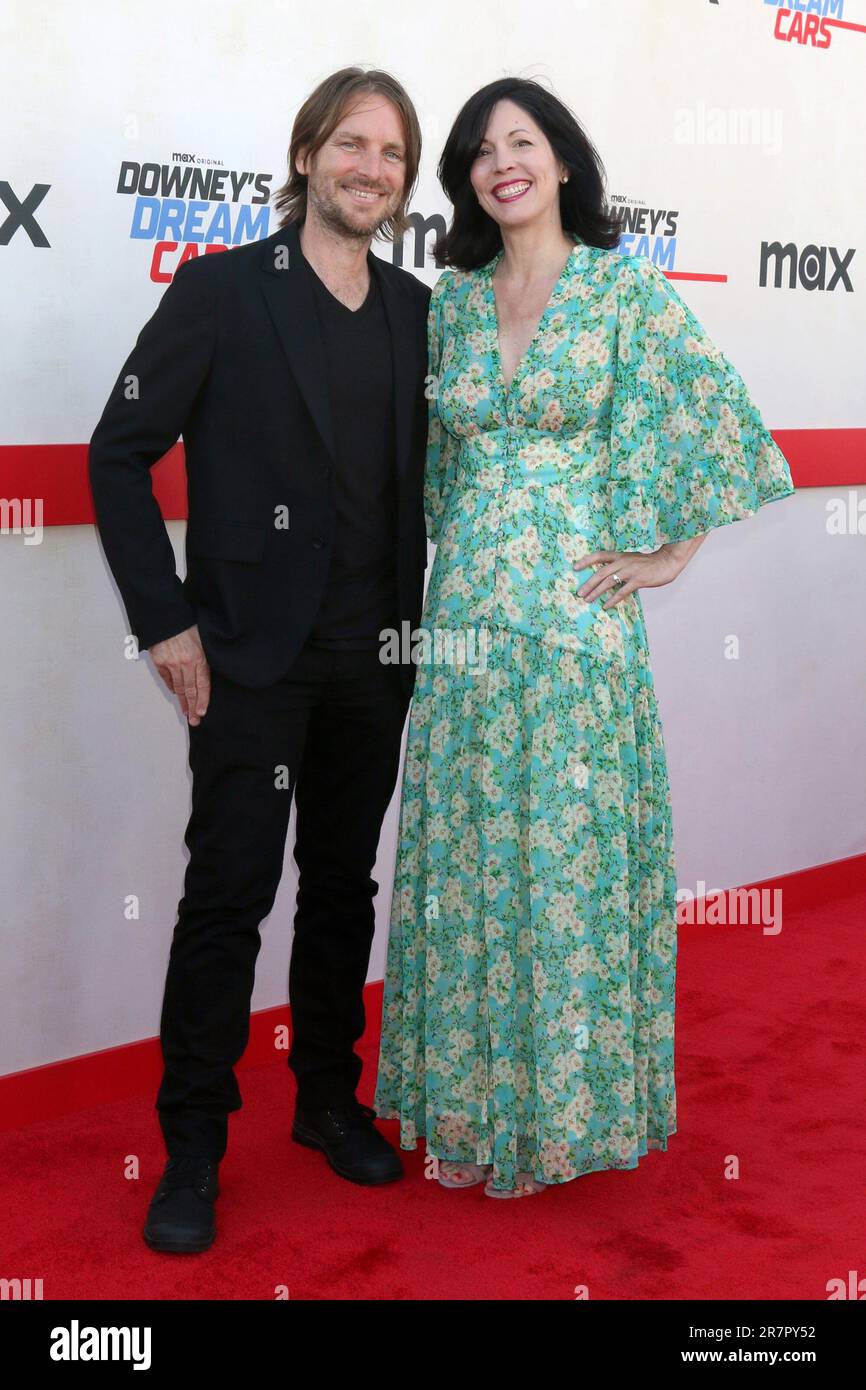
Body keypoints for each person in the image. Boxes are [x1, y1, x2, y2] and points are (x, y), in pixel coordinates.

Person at [374, 78, 795, 1198]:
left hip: (574, 639)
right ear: (465, 179)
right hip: (464, 637)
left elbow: (721, 423)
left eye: (521, 141)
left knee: (558, 868)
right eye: (477, 150)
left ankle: (560, 1119)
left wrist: (668, 555)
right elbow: (434, 474)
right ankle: (466, 1117)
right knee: (467, 870)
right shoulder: (450, 303)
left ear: (561, 161)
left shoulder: (622, 294)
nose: (498, 162)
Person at [88, 67, 432, 1252]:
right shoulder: (224, 292)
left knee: (344, 889)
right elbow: (118, 451)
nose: (369, 169)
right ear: (304, 157)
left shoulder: (417, 312)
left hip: (374, 658)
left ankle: (327, 1102)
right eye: (350, 144)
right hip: (245, 663)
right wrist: (165, 619)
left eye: (390, 153)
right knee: (227, 898)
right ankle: (190, 1149)